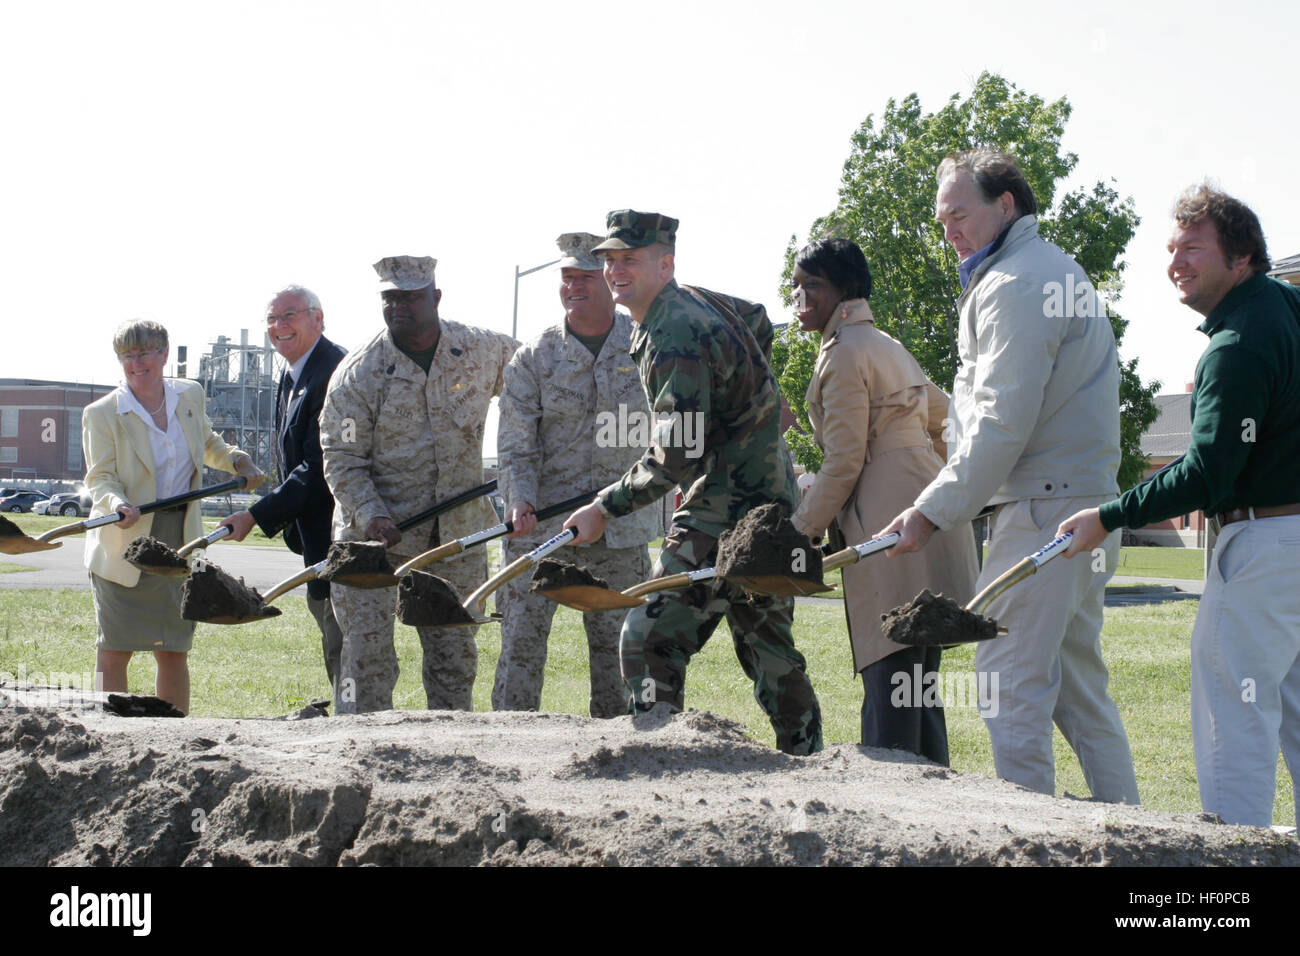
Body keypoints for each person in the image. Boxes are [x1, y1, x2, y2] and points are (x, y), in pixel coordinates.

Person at [880, 149, 1140, 803]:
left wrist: (935, 507)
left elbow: (1002, 418)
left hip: (1044, 510)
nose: (949, 233)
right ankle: (1141, 834)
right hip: (1077, 505)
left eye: (959, 215)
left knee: (1008, 680)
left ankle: (1031, 841)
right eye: (941, 222)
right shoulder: (1040, 272)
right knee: (1077, 690)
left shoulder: (1016, 284)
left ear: (1006, 205)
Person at [1059, 184, 1300, 827]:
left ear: (1241, 255)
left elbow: (1206, 476)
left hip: (1265, 545)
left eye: (1193, 247)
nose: (1175, 262)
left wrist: (1107, 516)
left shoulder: (1238, 343)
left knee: (1235, 714)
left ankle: (1228, 880)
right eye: (1171, 249)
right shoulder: (1285, 311)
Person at [565, 210, 823, 755]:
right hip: (771, 504)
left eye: (629, 260)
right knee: (767, 647)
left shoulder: (672, 331)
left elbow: (675, 453)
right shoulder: (695, 302)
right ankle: (810, 763)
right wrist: (755, 403)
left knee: (646, 638)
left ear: (666, 263)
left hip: (722, 513)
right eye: (609, 260)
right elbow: (754, 319)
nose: (615, 271)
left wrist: (603, 508)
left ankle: (659, 759)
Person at [788, 238, 977, 764]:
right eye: (797, 286)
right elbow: (947, 424)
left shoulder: (845, 353)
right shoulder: (887, 344)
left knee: (890, 666)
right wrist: (928, 478)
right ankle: (934, 806)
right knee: (918, 678)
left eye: (813, 286)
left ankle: (896, 817)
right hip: (927, 514)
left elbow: (844, 461)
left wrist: (800, 530)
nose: (800, 297)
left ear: (845, 290)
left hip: (886, 524)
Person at [320, 255, 517, 714]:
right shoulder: (358, 374)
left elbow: (534, 376)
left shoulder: (481, 350)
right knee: (365, 662)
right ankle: (356, 751)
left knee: (454, 658)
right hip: (373, 541)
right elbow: (342, 458)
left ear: (436, 298)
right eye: (390, 298)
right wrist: (372, 513)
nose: (399, 307)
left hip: (457, 538)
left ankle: (450, 754)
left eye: (410, 297)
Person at [495, 232, 661, 718]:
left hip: (620, 528)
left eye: (585, 277)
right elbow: (515, 445)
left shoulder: (645, 344)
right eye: (566, 277)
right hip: (542, 530)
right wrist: (519, 499)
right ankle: (508, 745)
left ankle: (622, 752)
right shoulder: (533, 358)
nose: (573, 287)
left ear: (609, 281)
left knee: (623, 656)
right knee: (520, 653)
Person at [83, 319, 264, 714]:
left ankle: (173, 737)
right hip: (124, 543)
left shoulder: (189, 395)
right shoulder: (102, 413)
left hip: (182, 540)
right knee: (115, 648)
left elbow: (206, 442)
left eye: (145, 352)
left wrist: (237, 460)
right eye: (127, 355)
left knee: (173, 649)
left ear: (164, 353)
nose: (137, 362)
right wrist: (116, 505)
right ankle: (109, 735)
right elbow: (100, 478)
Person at [218, 286, 347, 693]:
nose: (279, 327)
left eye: (289, 315)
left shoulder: (333, 371)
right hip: (313, 539)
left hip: (340, 536)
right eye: (272, 319)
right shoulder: (292, 372)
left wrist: (255, 514)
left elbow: (318, 467)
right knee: (332, 637)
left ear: (318, 319)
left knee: (344, 640)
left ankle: (360, 724)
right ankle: (351, 718)